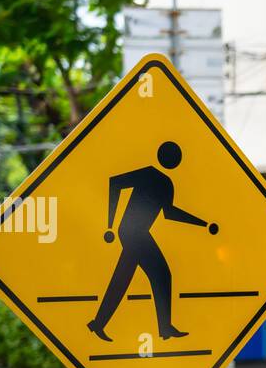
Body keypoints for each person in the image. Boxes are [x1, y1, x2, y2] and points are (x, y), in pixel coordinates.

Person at [87, 140, 218, 342]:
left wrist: (201, 222)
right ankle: (164, 328)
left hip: (137, 233)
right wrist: (110, 223)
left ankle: (98, 323)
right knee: (162, 274)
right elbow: (114, 182)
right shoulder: (148, 174)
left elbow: (169, 213)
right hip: (132, 232)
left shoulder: (167, 184)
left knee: (123, 278)